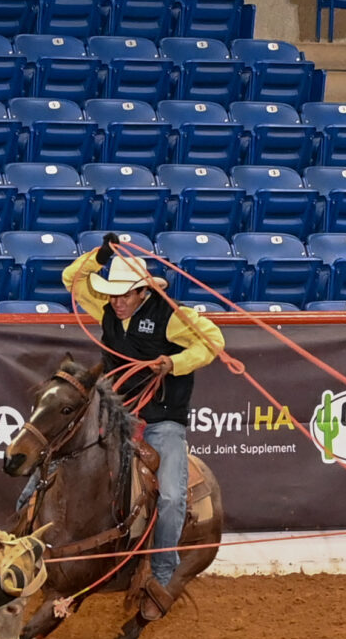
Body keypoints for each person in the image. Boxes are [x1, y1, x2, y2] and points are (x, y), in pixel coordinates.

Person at [60, 234, 227, 618]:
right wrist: (100, 255)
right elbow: (73, 278)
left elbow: (213, 340)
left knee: (170, 496)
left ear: (142, 292)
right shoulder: (105, 308)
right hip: (116, 414)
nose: (116, 302)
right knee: (59, 454)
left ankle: (163, 572)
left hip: (161, 420)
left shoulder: (171, 317)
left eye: (125, 295)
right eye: (113, 294)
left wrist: (174, 364)